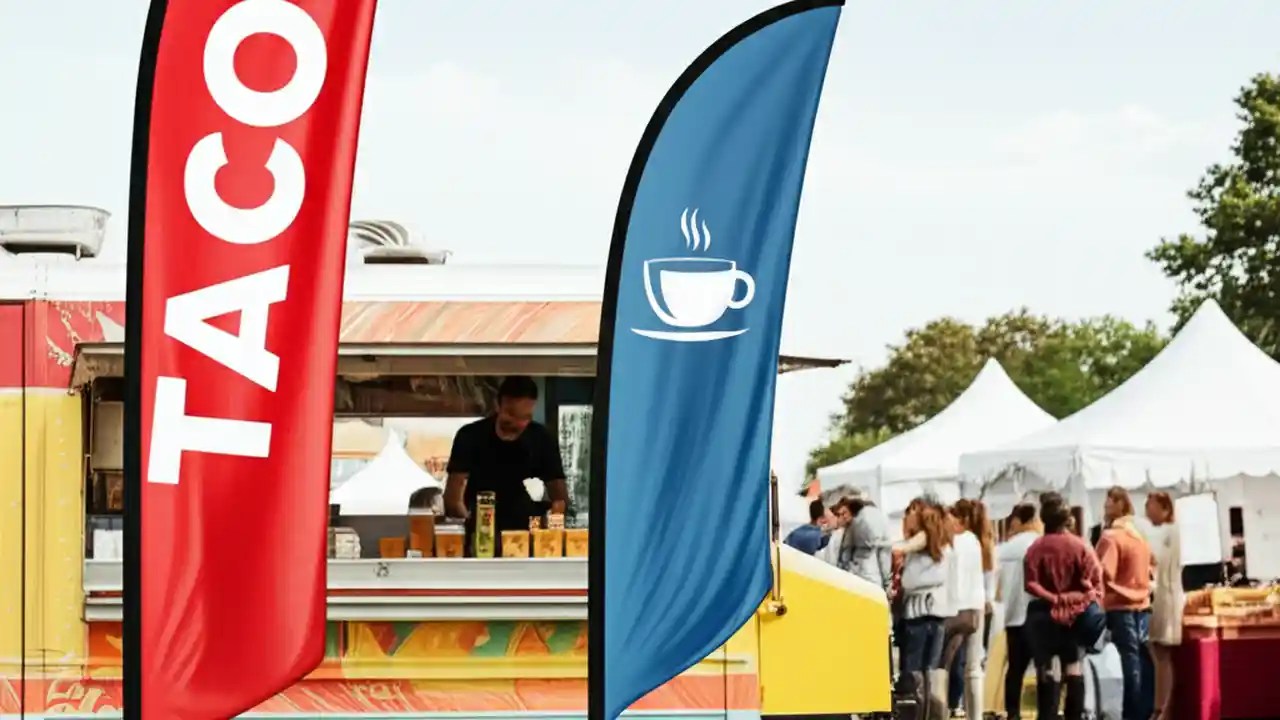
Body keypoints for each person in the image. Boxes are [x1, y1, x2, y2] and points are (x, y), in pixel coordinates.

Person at [444, 376, 568, 556]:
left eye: (524, 417)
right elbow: (453, 498)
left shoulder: (541, 439)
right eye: (510, 414)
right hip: (481, 538)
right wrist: (471, 523)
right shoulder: (470, 436)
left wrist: (549, 528)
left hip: (527, 541)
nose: (517, 423)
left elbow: (560, 499)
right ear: (497, 405)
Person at [1024, 492, 1103, 720]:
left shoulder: (1036, 547)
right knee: (1073, 666)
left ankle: (1047, 715)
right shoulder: (1081, 546)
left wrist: (1053, 597)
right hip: (1076, 614)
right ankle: (1073, 715)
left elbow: (1030, 583)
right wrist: (1077, 598)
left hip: (1043, 613)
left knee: (1047, 668)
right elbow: (1096, 582)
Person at [1095, 486, 1154, 720]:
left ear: (1119, 505)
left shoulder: (1111, 538)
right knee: (1143, 660)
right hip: (1143, 604)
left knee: (1129, 664)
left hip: (1120, 605)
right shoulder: (1140, 535)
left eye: (1109, 502)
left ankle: (1132, 712)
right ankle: (1145, 708)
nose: (1105, 506)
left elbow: (1102, 573)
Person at [897, 499, 954, 714]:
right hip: (938, 613)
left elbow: (909, 580)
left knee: (914, 671)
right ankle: (934, 714)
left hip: (918, 612)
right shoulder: (944, 546)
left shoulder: (920, 547)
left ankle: (916, 714)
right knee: (932, 671)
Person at [940, 501, 987, 720]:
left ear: (959, 519)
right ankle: (974, 715)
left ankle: (942, 710)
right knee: (973, 666)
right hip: (976, 605)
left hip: (956, 607)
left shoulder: (953, 542)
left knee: (946, 665)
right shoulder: (976, 541)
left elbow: (953, 578)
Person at [997, 503, 1041, 720]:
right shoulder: (1040, 543)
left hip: (1012, 615)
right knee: (1043, 668)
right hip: (1038, 615)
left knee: (1015, 670)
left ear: (1017, 520)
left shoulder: (1005, 549)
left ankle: (1013, 713)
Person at [1144, 492, 1183, 720]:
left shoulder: (1172, 532)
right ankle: (1160, 706)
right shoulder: (1160, 533)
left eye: (1151, 506)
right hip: (1159, 597)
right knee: (1157, 654)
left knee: (1163, 655)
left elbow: (1160, 563)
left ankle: (1164, 708)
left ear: (1164, 508)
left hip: (1166, 597)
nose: (1147, 510)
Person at [841, 497, 894, 592]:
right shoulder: (882, 523)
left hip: (855, 575)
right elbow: (884, 560)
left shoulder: (853, 524)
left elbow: (845, 553)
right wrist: (887, 583)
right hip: (875, 578)